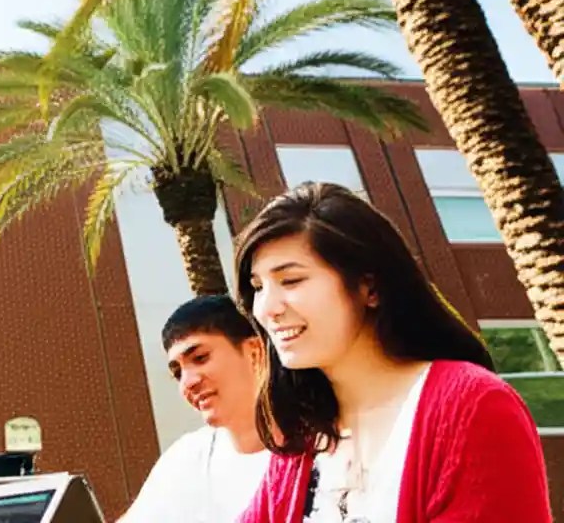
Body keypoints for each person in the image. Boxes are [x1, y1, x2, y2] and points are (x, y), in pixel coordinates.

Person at [235, 182, 551, 522]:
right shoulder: (302, 442)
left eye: (291, 280)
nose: (266, 308)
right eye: (258, 287)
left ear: (369, 286)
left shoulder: (472, 405)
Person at [118, 295, 270, 522]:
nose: (188, 382)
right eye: (178, 373)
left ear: (254, 352)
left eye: (200, 358)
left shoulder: (319, 449)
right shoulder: (187, 459)